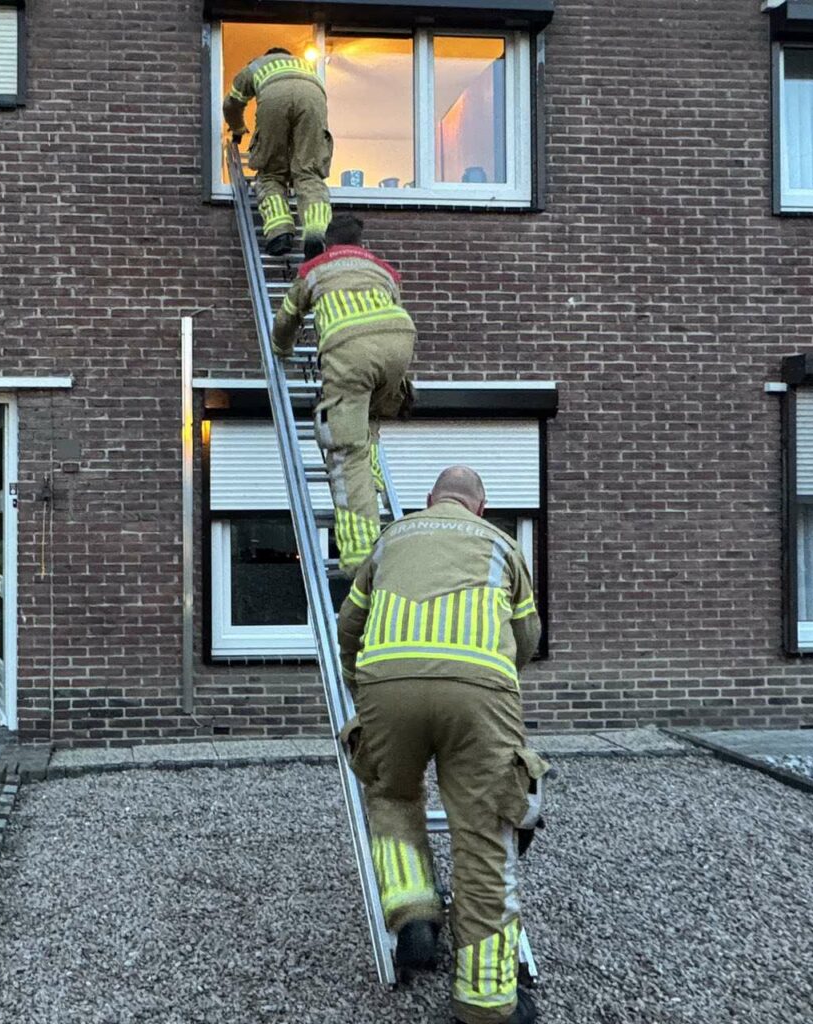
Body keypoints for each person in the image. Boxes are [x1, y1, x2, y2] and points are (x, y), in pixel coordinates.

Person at [337, 466, 549, 1024]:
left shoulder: (388, 540)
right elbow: (527, 640)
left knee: (391, 797)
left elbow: (348, 627)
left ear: (430, 501)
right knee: (483, 835)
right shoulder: (502, 544)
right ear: (480, 507)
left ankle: (413, 916)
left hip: (387, 687)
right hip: (479, 696)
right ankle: (484, 1003)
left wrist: (365, 686)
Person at [271, 212, 414, 577]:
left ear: (328, 244)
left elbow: (287, 318)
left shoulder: (314, 269)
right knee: (366, 421)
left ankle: (358, 557)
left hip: (350, 353)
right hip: (400, 345)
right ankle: (375, 475)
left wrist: (280, 349)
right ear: (360, 244)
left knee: (345, 454)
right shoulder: (383, 269)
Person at [222, 46, 333, 258]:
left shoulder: (256, 66)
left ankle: (279, 234)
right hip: (313, 99)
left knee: (271, 173)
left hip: (274, 99)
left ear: (267, 56)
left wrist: (237, 129)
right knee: (309, 173)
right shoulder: (306, 67)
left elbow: (231, 104)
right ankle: (316, 232)